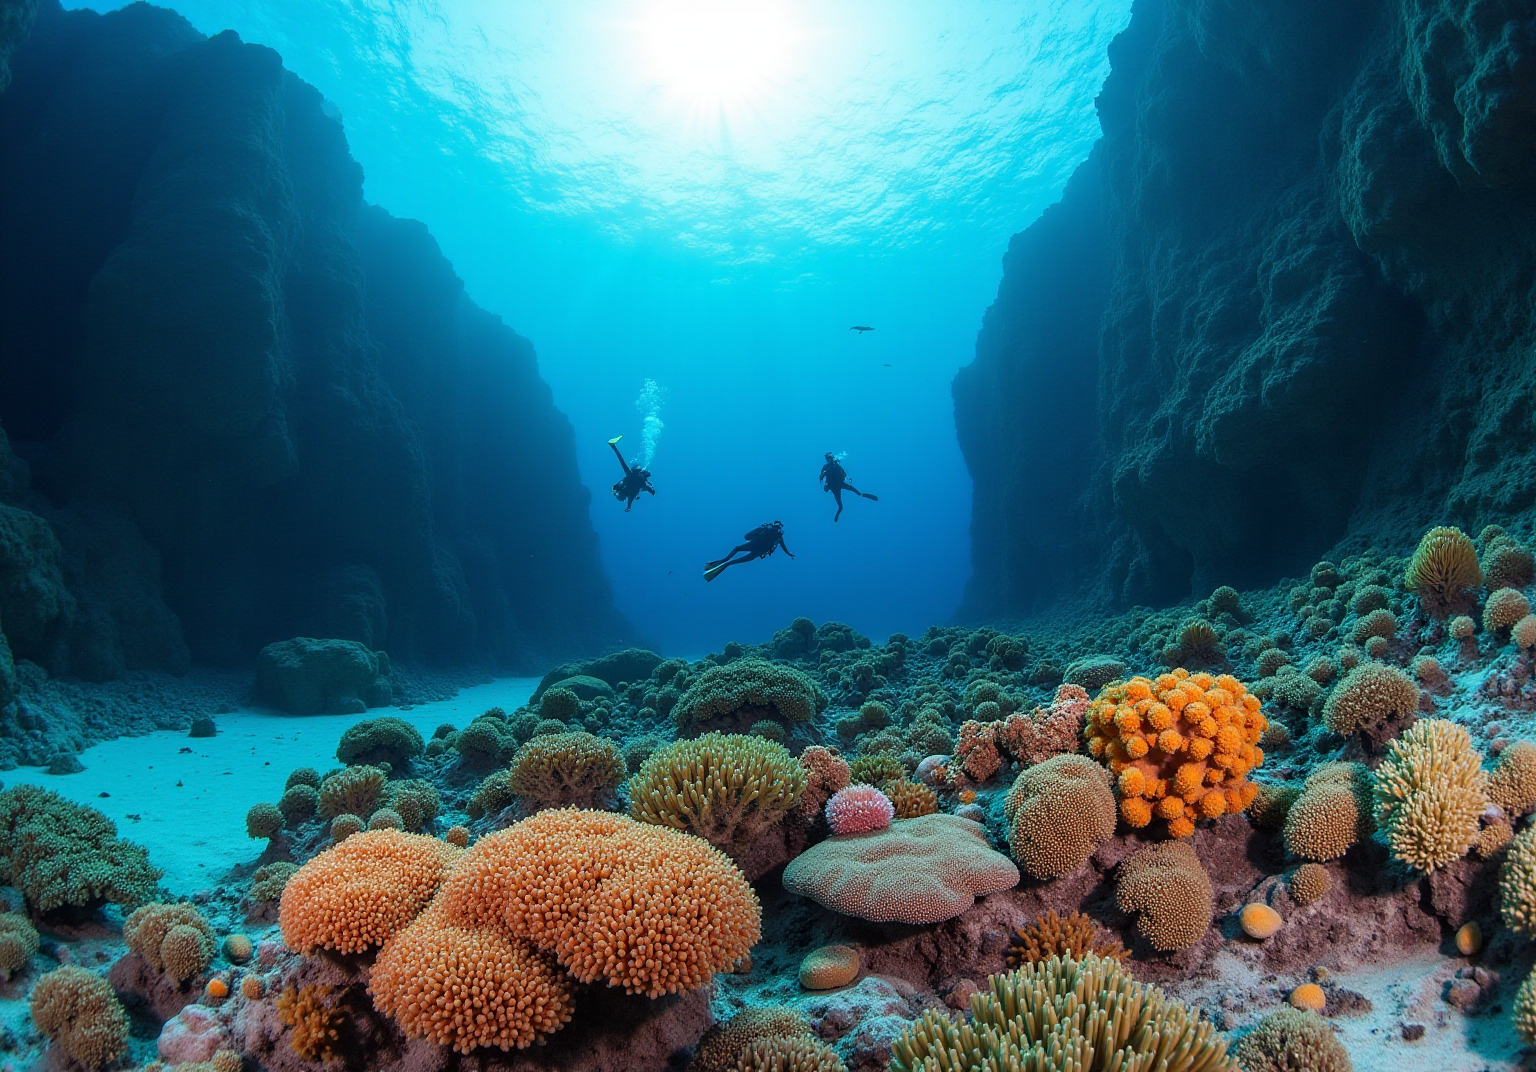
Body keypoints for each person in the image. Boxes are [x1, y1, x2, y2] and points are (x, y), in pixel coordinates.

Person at [704, 521, 794, 582]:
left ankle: (718, 562)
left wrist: (761, 528)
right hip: (757, 552)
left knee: (735, 550)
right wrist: (789, 554)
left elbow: (747, 537)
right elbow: (783, 547)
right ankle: (723, 563)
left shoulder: (767, 530)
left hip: (753, 546)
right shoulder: (778, 537)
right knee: (732, 561)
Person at [819, 452, 878, 521]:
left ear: (832, 458)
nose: (830, 460)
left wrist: (848, 479)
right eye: (828, 459)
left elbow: (843, 473)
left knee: (857, 493)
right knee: (840, 507)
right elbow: (822, 478)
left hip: (839, 484)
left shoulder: (836, 466)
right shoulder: (826, 467)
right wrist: (825, 486)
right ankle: (837, 516)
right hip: (833, 486)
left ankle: (862, 494)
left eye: (830, 459)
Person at [608, 436, 655, 512]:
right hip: (632, 478)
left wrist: (628, 507)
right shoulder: (634, 491)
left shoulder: (632, 493)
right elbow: (647, 488)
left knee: (623, 463)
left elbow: (646, 488)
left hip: (633, 479)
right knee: (623, 463)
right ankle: (613, 446)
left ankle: (613, 446)